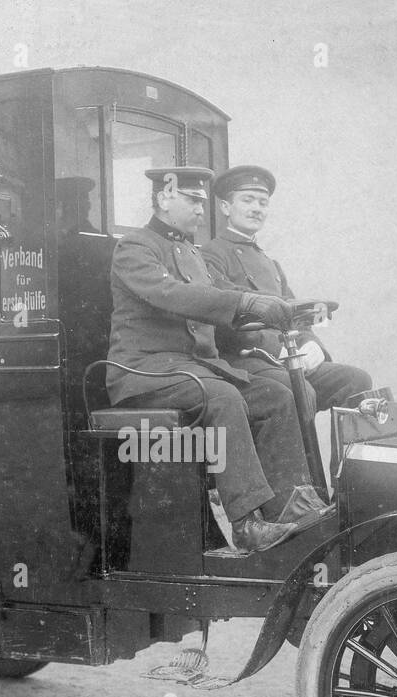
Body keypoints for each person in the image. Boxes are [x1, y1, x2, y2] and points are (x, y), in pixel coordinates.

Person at [107, 166, 331, 552]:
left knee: (277, 395)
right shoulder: (135, 248)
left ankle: (290, 507)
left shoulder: (192, 253)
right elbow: (173, 295)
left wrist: (274, 310)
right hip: (144, 369)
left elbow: (223, 299)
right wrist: (245, 301)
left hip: (192, 369)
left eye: (201, 201)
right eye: (192, 200)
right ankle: (246, 524)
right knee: (224, 398)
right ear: (164, 198)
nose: (199, 209)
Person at [202, 165, 375, 415]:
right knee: (299, 389)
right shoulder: (212, 255)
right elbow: (223, 320)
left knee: (356, 381)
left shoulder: (271, 265)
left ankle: (340, 455)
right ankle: (302, 455)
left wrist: (311, 345)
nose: (256, 209)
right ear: (226, 207)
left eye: (263, 202)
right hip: (242, 360)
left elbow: (298, 314)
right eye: (247, 200)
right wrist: (277, 349)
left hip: (286, 358)